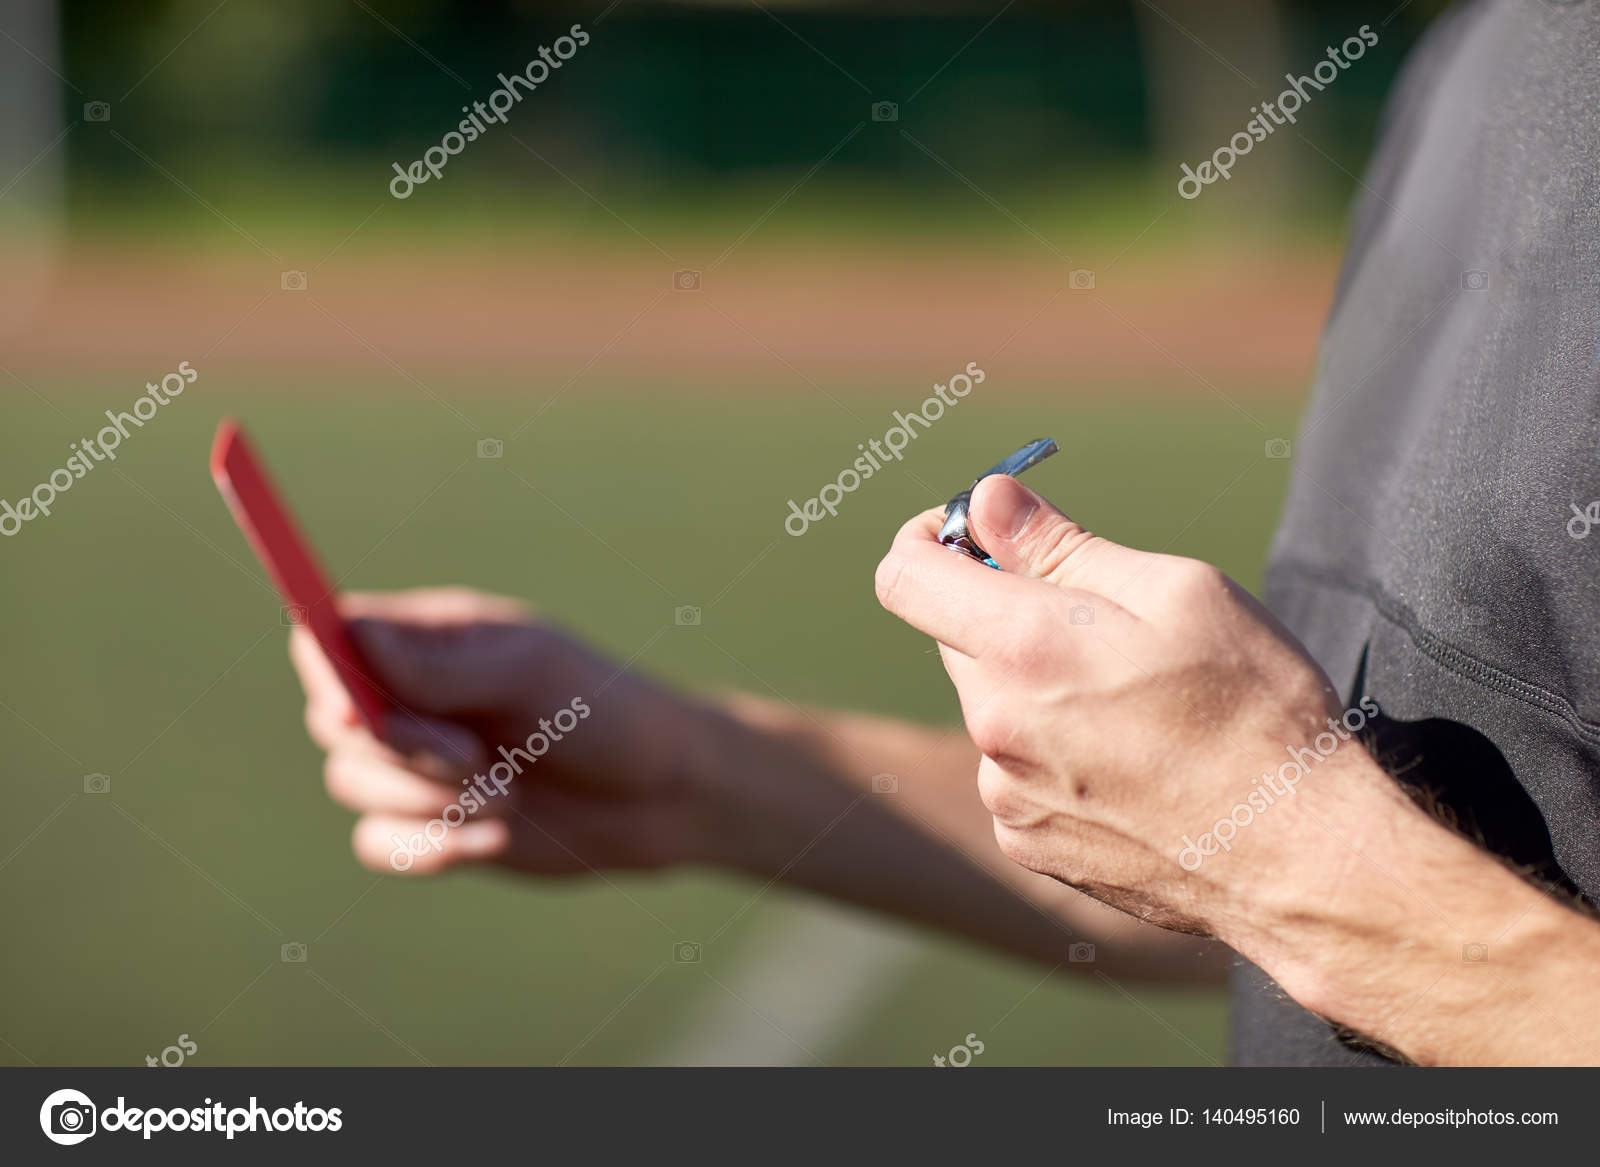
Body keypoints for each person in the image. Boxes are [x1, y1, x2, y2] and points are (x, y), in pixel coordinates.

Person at [292, 0, 1600, 1066]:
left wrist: (1281, 849)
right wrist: (693, 770)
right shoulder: (1483, 56)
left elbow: (1346, 887)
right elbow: (1435, 880)